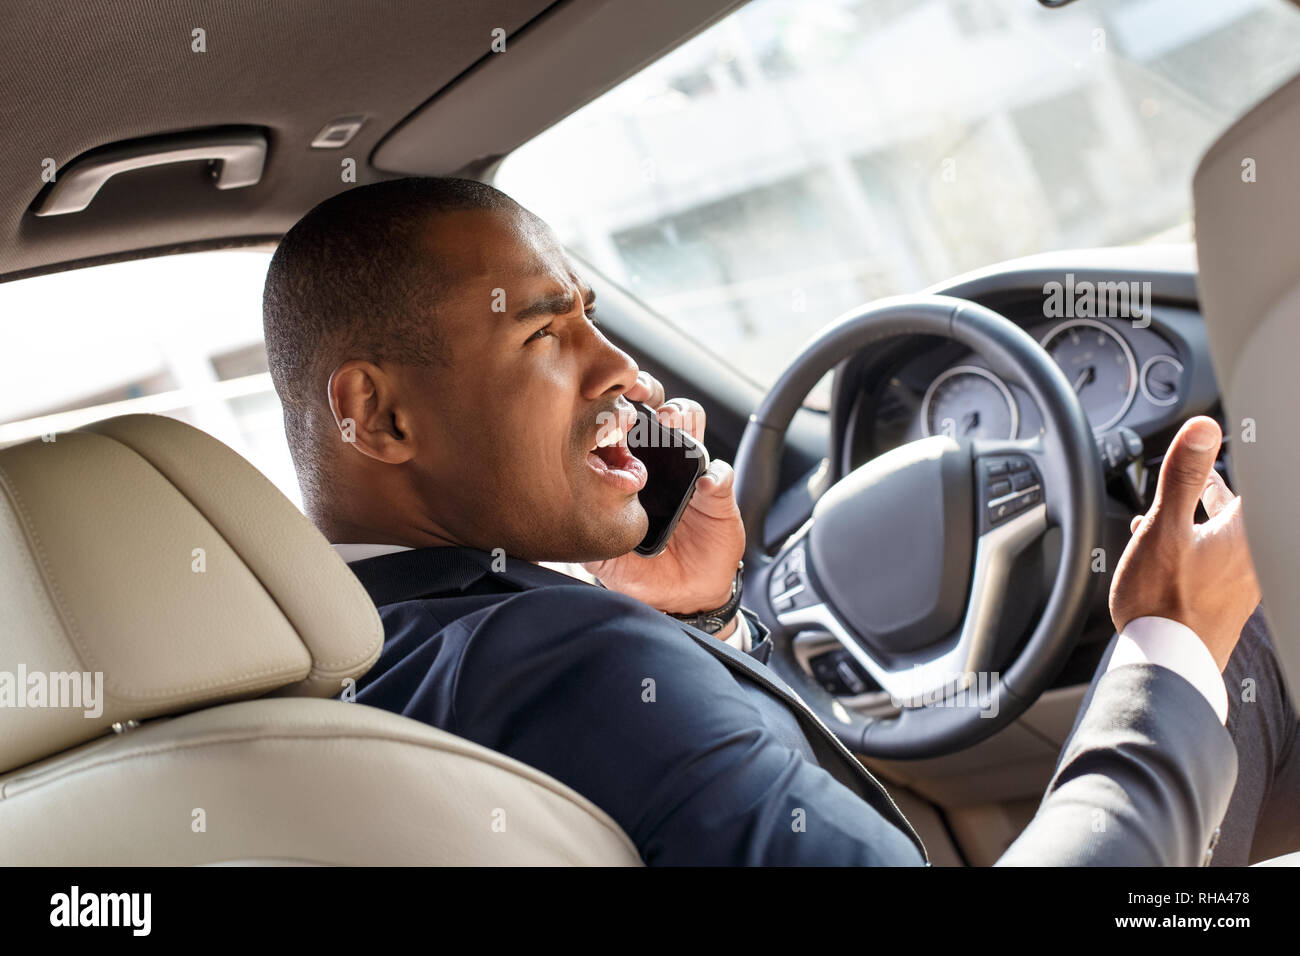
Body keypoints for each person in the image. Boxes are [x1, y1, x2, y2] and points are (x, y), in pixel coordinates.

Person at [262, 176, 1283, 865]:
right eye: (544, 329)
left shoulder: (352, 667)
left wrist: (701, 627)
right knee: (1248, 642)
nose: (620, 368)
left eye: (591, 314)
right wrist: (1165, 638)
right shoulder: (556, 659)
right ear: (378, 414)